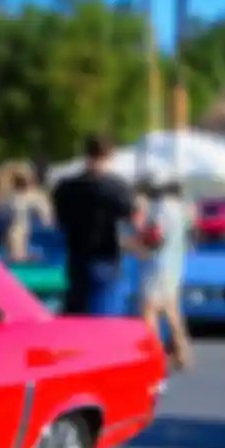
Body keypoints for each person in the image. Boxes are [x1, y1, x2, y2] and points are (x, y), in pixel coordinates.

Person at [53, 135, 137, 316]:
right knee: (105, 312)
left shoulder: (66, 187)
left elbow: (60, 221)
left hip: (76, 255)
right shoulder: (118, 188)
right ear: (110, 155)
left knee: (77, 312)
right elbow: (131, 219)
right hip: (107, 255)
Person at [139, 181, 193, 369]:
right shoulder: (181, 208)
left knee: (149, 308)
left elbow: (155, 237)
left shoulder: (160, 209)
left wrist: (141, 236)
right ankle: (182, 350)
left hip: (158, 263)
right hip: (175, 263)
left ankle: (154, 353)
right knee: (171, 308)